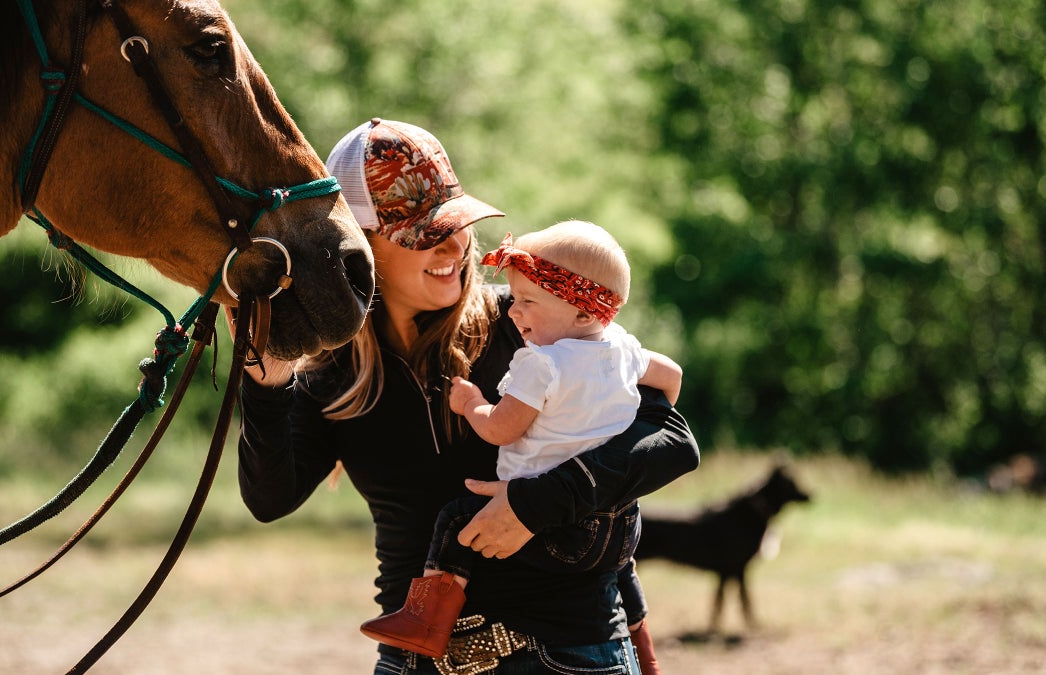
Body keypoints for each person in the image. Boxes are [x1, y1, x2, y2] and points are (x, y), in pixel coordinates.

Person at [235, 118, 699, 674]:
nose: (456, 244)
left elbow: (672, 440)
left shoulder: (531, 325)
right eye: (424, 233)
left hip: (563, 655)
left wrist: (536, 504)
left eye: (456, 223)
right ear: (358, 247)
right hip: (414, 664)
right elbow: (270, 499)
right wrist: (267, 382)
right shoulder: (332, 371)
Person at [359, 220, 682, 661]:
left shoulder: (542, 365)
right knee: (618, 568)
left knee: (456, 519)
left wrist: (471, 404)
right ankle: (643, 652)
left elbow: (501, 429)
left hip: (539, 515)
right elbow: (671, 377)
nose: (514, 311)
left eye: (528, 302)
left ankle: (427, 617)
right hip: (613, 523)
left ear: (584, 312)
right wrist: (618, 414)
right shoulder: (623, 348)